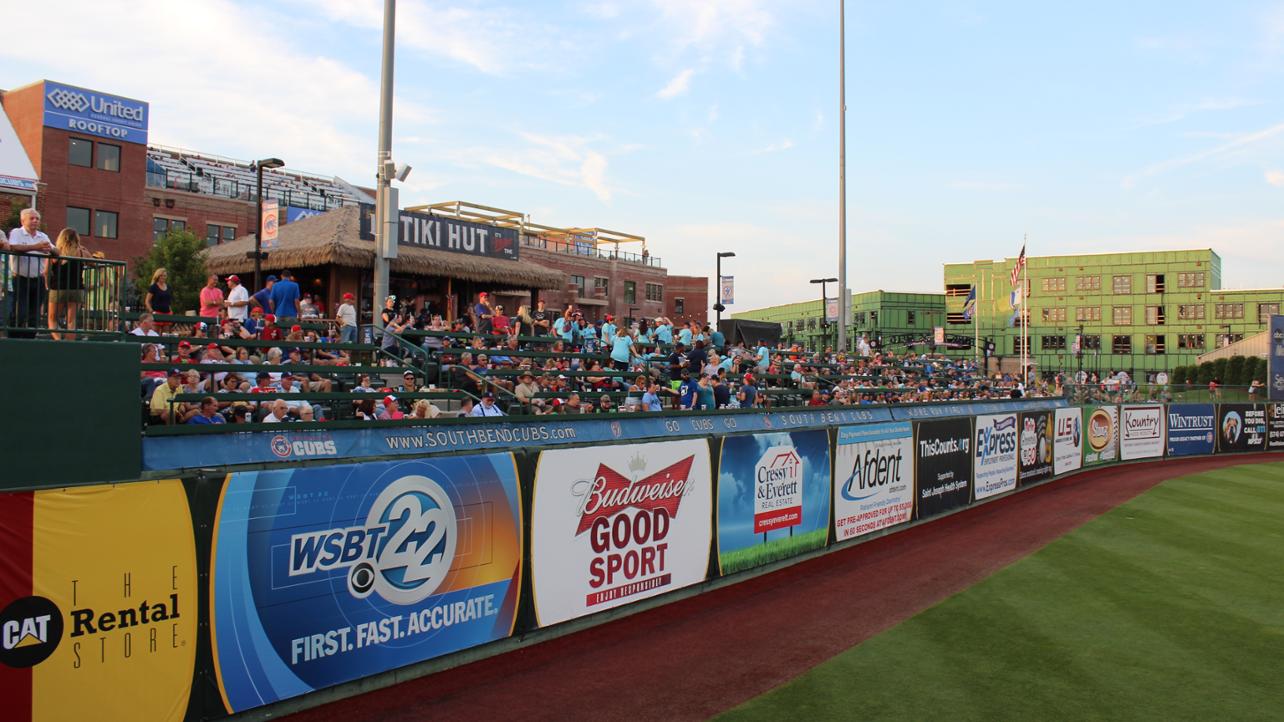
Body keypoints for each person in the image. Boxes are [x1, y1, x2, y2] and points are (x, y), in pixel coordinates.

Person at [7, 208, 57, 338]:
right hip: (21, 278)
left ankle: (30, 338)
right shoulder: (17, 232)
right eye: (32, 218)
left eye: (37, 218)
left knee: (34, 313)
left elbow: (56, 251)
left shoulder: (43, 236)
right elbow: (13, 247)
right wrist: (36, 247)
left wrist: (50, 251)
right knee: (20, 311)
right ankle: (14, 338)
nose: (35, 221)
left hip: (38, 279)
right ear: (22, 220)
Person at [45, 228, 90, 340]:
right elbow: (92, 261)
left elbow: (46, 271)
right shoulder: (80, 252)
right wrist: (83, 249)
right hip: (76, 288)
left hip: (58, 287)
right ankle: (69, 344)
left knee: (52, 318)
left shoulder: (56, 252)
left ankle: (58, 341)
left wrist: (46, 285)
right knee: (71, 320)